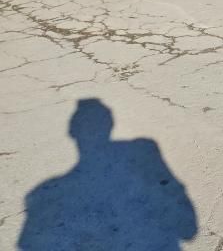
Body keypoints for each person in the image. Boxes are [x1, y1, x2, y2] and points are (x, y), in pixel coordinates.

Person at [18, 99, 197, 251]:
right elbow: (188, 229)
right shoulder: (143, 148)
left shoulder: (41, 194)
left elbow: (28, 243)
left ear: (72, 133)